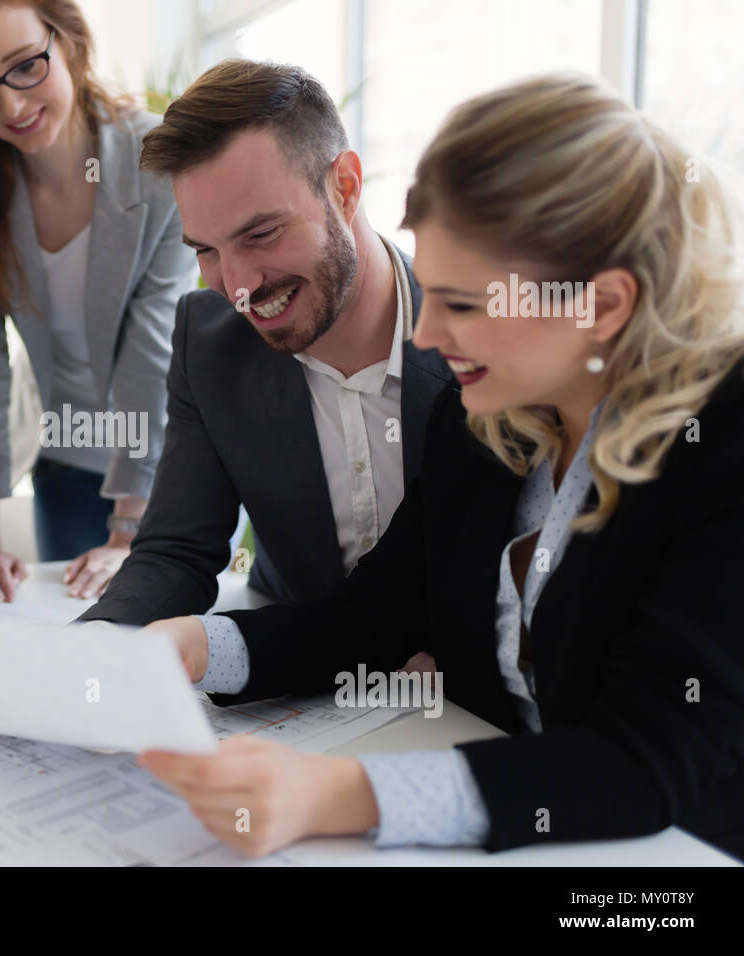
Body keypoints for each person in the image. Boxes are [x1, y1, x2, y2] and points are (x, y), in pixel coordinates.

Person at [137, 74, 744, 861]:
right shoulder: (483, 421)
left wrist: (342, 794)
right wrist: (196, 645)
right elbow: (372, 618)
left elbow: (646, 759)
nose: (423, 336)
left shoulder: (725, 441)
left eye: (462, 304)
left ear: (599, 304)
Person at [79, 60, 452, 627]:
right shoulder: (208, 344)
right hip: (297, 678)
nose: (239, 287)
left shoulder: (476, 335)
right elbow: (176, 554)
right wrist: (88, 656)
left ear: (345, 188)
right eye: (206, 250)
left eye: (261, 234)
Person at [0, 0, 198, 602]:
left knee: (159, 637)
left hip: (172, 465)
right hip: (67, 458)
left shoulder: (158, 161)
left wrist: (130, 532)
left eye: (26, 66)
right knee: (67, 633)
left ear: (68, 39)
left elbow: (154, 350)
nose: (12, 106)